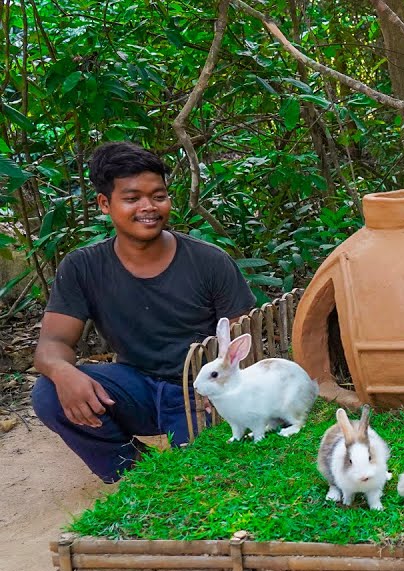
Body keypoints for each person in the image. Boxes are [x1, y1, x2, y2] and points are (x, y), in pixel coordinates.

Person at [31, 142, 256, 483]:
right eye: (133, 198)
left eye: (158, 195)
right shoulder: (83, 267)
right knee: (48, 392)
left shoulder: (208, 261)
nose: (148, 207)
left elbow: (243, 341)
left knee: (206, 477)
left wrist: (232, 390)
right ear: (105, 204)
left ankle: (183, 465)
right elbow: (52, 343)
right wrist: (63, 372)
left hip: (198, 393)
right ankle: (135, 472)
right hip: (134, 389)